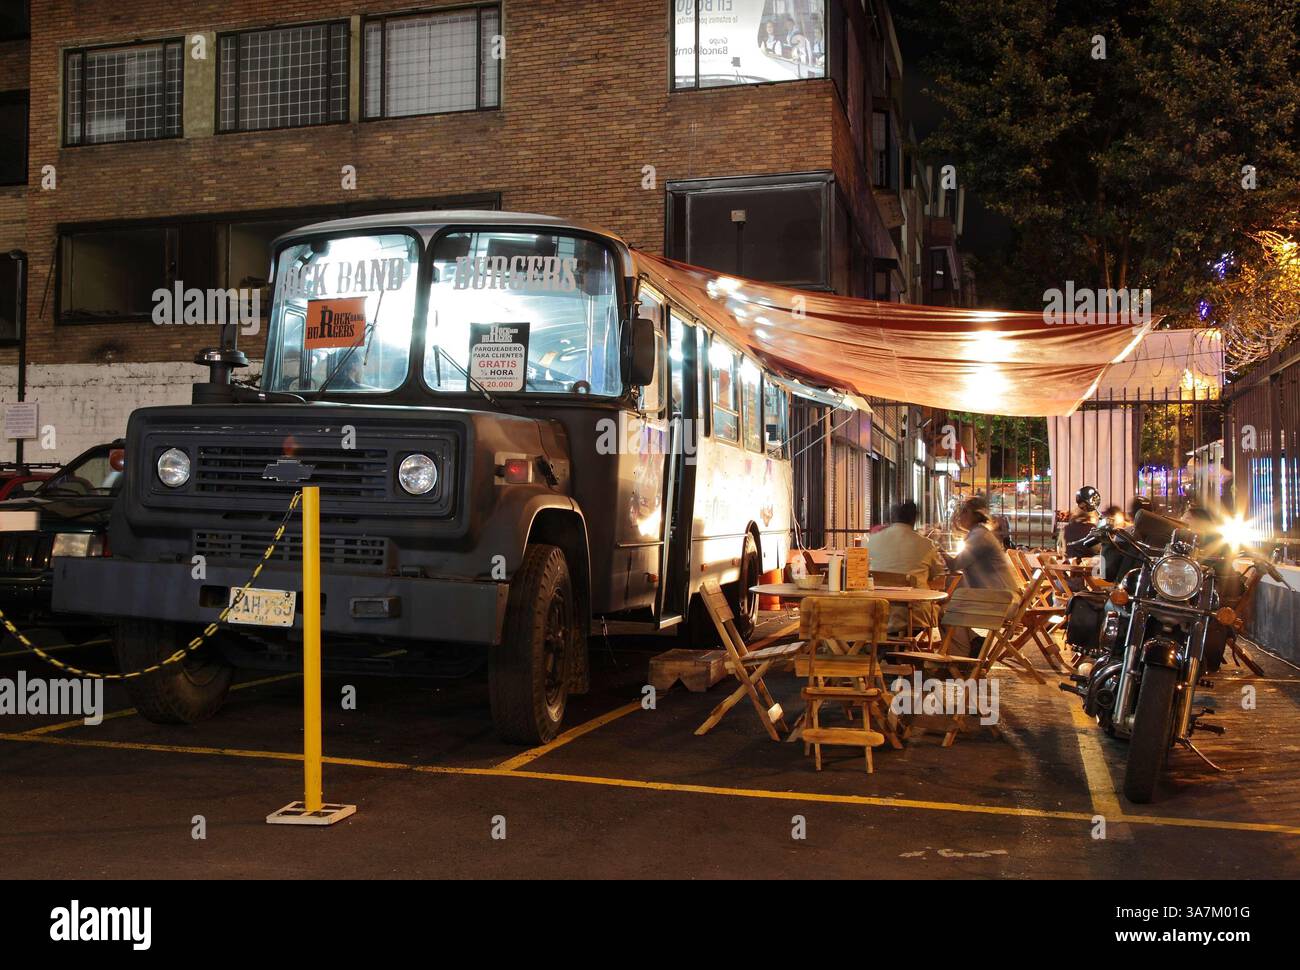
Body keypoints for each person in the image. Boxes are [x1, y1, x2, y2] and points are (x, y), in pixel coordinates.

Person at [868, 500, 946, 631]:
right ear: (914, 519)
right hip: (915, 617)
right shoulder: (926, 545)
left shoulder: (871, 541)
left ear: (892, 518)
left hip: (876, 614)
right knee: (945, 608)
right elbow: (938, 576)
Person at [946, 498, 1019, 593]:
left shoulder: (979, 536)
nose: (960, 516)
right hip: (995, 594)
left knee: (951, 605)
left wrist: (938, 549)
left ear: (975, 515)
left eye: (964, 512)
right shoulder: (978, 533)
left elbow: (955, 565)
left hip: (1000, 597)